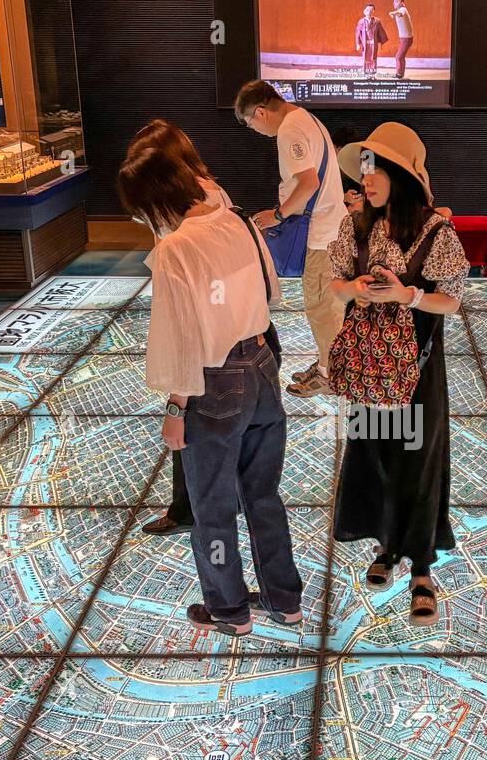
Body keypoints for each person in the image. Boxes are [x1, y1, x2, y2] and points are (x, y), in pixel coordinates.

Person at [118, 122, 302, 637]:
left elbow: (182, 338)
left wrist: (176, 408)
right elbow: (270, 290)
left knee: (213, 507)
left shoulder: (177, 247)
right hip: (262, 365)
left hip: (215, 384)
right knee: (263, 496)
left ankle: (228, 609)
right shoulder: (236, 217)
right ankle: (285, 600)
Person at [328, 123, 469, 625]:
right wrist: (359, 288)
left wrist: (405, 295)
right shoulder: (357, 226)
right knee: (373, 452)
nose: (365, 179)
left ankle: (423, 567)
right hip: (369, 367)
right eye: (363, 168)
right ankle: (387, 545)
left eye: (375, 168)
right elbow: (337, 288)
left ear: (401, 175)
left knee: (418, 458)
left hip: (417, 368)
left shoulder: (436, 232)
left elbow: (451, 300)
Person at [129, 120, 281, 538]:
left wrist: (176, 406)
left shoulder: (187, 208)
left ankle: (196, 520)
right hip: (255, 343)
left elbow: (188, 325)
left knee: (204, 455)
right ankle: (277, 595)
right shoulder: (212, 193)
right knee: (260, 488)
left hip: (221, 355)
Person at [235, 80, 348, 398]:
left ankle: (332, 375)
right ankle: (328, 363)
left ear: (260, 112)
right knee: (325, 305)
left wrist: (279, 215)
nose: (254, 130)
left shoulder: (289, 129)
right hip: (329, 229)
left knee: (322, 307)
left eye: (250, 123)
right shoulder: (305, 117)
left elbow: (308, 183)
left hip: (323, 234)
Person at [355, 4, 388, 78]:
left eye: (371, 10)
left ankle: (373, 73)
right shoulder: (361, 22)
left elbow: (381, 31)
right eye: (367, 10)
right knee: (366, 57)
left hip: (373, 43)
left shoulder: (377, 21)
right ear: (364, 11)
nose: (369, 12)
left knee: (373, 57)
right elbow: (357, 33)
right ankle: (366, 73)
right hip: (365, 43)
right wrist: (357, 44)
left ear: (373, 11)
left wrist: (382, 42)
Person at [388, 0, 414, 80]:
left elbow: (400, 13)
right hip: (403, 38)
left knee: (399, 56)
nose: (394, 3)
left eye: (396, 1)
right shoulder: (401, 9)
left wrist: (393, 13)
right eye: (393, 1)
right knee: (400, 57)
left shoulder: (403, 9)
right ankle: (400, 74)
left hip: (407, 39)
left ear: (402, 2)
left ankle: (399, 75)